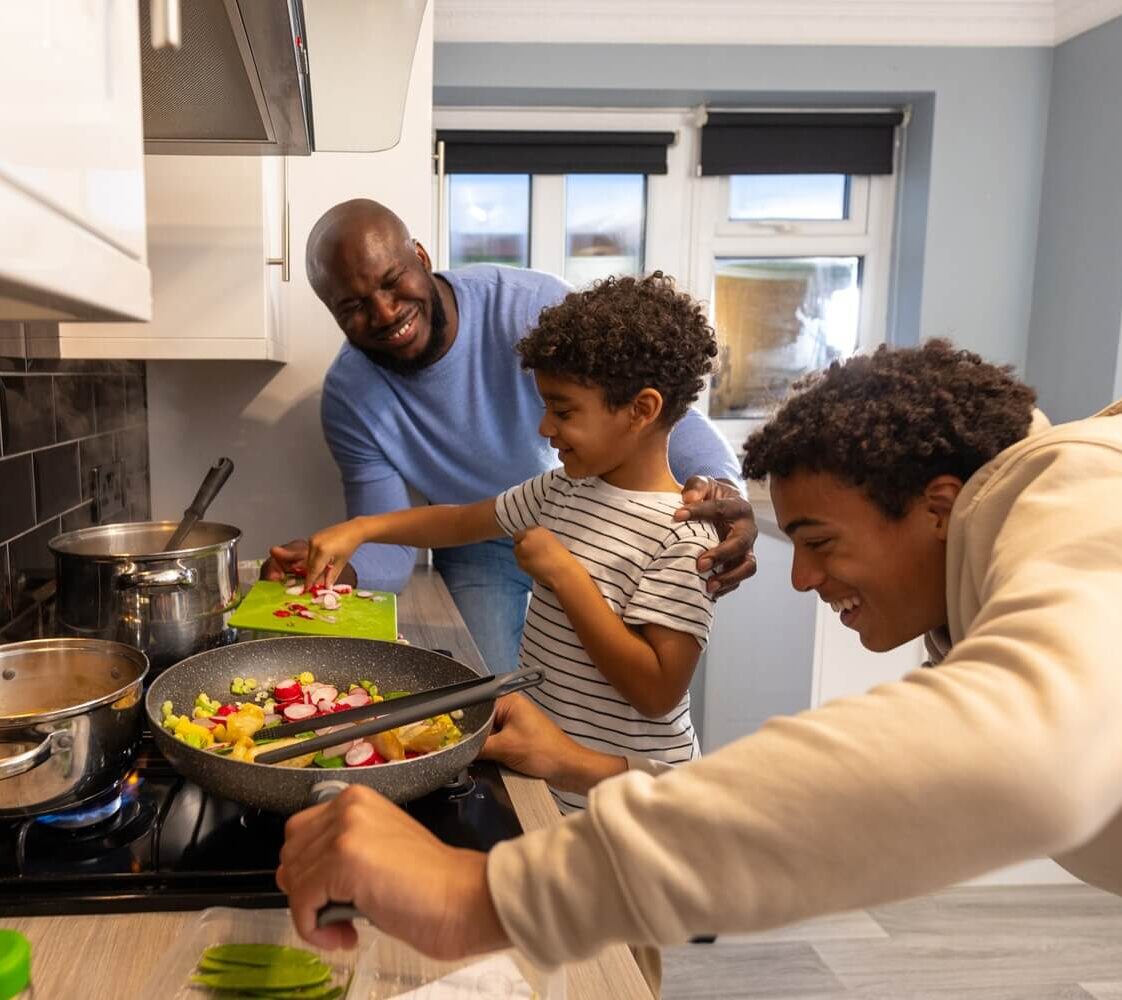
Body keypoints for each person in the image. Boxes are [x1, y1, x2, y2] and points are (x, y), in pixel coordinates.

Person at [276, 339, 1122, 971]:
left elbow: (1020, 758)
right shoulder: (1015, 538)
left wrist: (485, 895)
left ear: (940, 506)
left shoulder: (1076, 496)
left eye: (820, 541)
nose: (802, 580)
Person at [261, 199, 756, 674]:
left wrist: (724, 493)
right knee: (491, 686)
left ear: (421, 257)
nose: (386, 312)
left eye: (393, 281)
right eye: (353, 306)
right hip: (477, 535)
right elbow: (401, 548)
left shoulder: (531, 307)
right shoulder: (351, 398)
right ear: (331, 312)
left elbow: (667, 416)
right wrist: (331, 570)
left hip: (583, 512)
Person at [302, 273, 721, 811]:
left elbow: (656, 689)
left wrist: (563, 574)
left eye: (564, 410)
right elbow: (457, 522)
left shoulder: (685, 534)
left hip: (637, 806)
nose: (545, 427)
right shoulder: (561, 489)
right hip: (552, 785)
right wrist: (361, 528)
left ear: (641, 410)